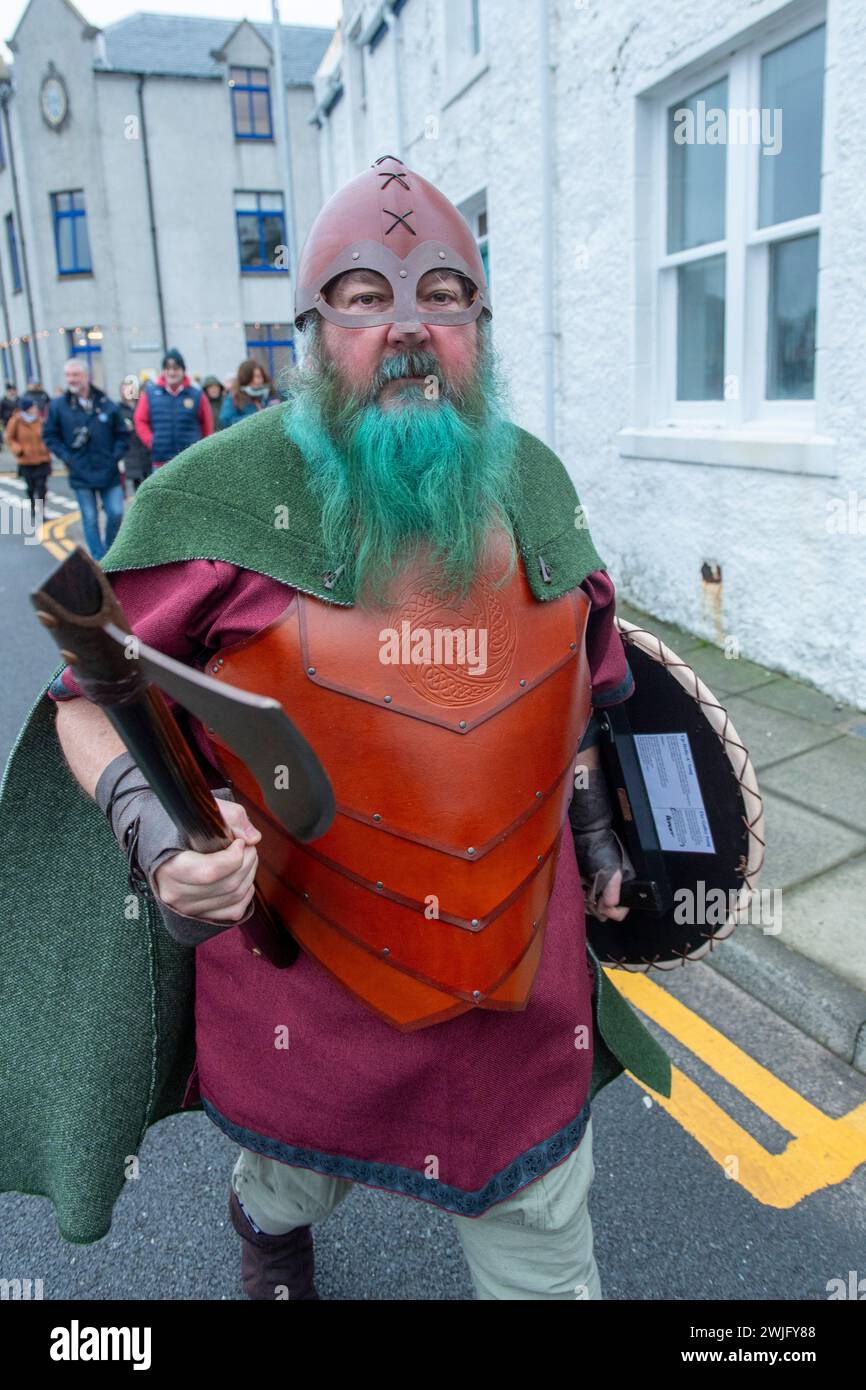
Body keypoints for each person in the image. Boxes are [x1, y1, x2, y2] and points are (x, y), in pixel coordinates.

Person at [0, 157, 670, 1297]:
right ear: (314, 329)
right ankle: (266, 1223)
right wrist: (157, 837)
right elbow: (87, 698)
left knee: (548, 1256)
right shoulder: (214, 498)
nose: (409, 330)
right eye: (366, 296)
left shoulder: (538, 484)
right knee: (290, 1171)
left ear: (480, 323)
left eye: (443, 296)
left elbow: (589, 685)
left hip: (522, 996)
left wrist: (602, 835)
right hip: (306, 987)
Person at [42, 358, 128, 561]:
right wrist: (67, 457)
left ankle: (110, 552)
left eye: (75, 375)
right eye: (68, 375)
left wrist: (114, 456)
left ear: (86, 376)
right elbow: (50, 436)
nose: (71, 379)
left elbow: (122, 435)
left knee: (116, 512)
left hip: (108, 469)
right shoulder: (58, 406)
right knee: (89, 518)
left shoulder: (106, 403)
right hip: (80, 471)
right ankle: (100, 559)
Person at [133, 347, 213, 469]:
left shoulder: (197, 395)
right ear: (163, 371)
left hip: (190, 461)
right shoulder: (150, 394)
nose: (172, 372)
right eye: (168, 368)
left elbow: (207, 424)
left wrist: (202, 448)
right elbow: (139, 420)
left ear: (183, 370)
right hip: (161, 462)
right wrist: (151, 442)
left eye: (175, 368)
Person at [5, 392, 51, 521]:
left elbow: (48, 435)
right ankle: (32, 507)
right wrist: (18, 450)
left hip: (42, 459)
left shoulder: (40, 421)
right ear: (27, 408)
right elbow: (9, 438)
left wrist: (47, 447)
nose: (36, 409)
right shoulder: (16, 421)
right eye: (33, 407)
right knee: (31, 487)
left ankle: (41, 512)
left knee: (42, 487)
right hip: (26, 461)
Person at [218, 359, 279, 428]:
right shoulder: (234, 397)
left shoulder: (271, 394)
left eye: (259, 376)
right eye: (252, 377)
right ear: (245, 378)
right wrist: (256, 418)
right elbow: (226, 420)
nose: (256, 381)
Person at [117, 377, 153, 492]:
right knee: (137, 487)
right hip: (130, 452)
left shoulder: (142, 404)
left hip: (146, 450)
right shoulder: (118, 409)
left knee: (151, 484)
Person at [0, 381, 19, 446]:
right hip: (7, 421)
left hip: (17, 420)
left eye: (13, 390)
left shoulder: (18, 399)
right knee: (10, 435)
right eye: (11, 390)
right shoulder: (3, 401)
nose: (12, 392)